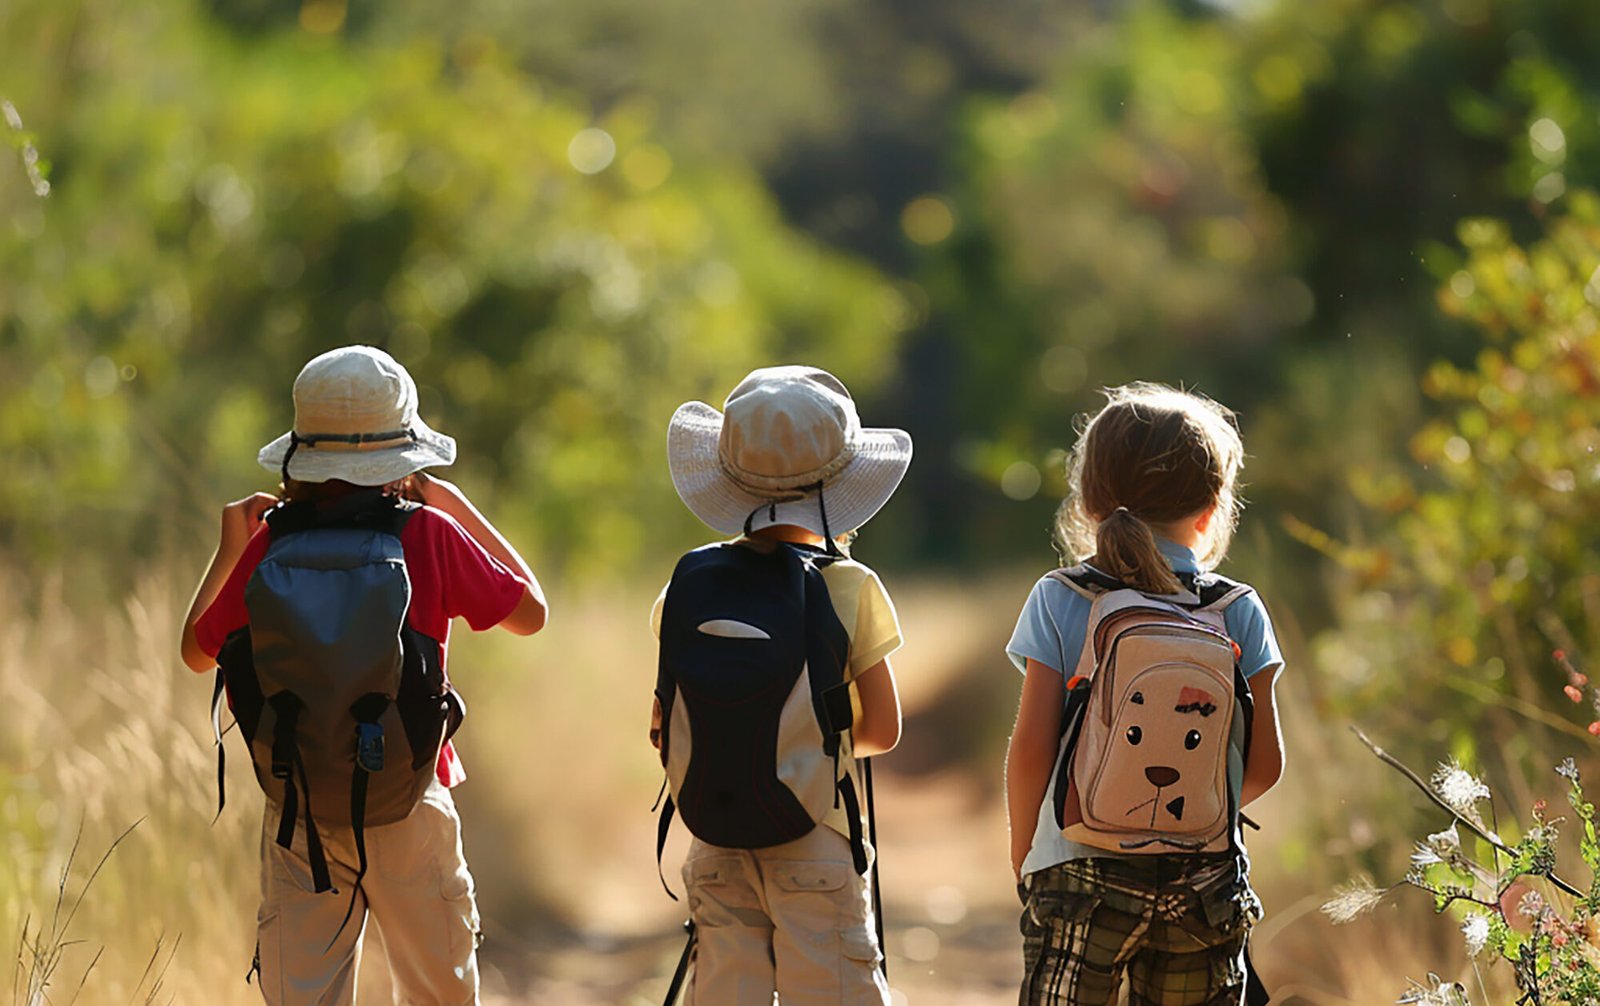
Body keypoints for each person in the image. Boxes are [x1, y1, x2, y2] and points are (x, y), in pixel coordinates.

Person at [179, 345, 547, 1005]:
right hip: (411, 800)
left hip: (299, 807)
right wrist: (457, 507)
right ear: (401, 455)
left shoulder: (271, 543)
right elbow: (531, 611)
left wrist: (231, 545)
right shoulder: (429, 533)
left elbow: (195, 651)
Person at [1004, 383, 1285, 1006]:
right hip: (1205, 888)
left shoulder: (1062, 597)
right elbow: (1266, 766)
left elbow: (1031, 751)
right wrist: (1188, 813)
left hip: (1078, 873)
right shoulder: (1236, 609)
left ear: (1090, 501)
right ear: (1212, 508)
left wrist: (1031, 855)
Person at [650, 365, 911, 1005]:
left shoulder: (686, 587)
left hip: (712, 838)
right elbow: (883, 729)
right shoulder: (848, 586)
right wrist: (809, 746)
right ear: (841, 486)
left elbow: (661, 725)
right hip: (814, 839)